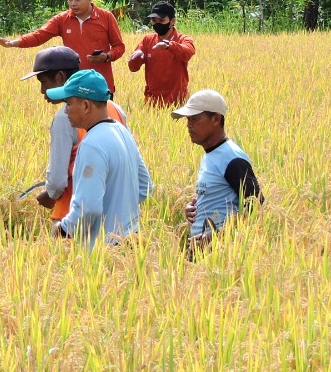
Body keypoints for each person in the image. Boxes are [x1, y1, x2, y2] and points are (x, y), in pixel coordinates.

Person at [21, 47, 127, 225]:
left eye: (44, 82)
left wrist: (49, 196)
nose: (42, 90)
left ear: (61, 78)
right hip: (115, 221)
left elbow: (57, 182)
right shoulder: (114, 109)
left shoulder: (64, 118)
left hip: (72, 220)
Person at [45, 70, 152, 246]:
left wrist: (63, 229)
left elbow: (87, 209)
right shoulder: (122, 131)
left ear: (86, 106)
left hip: (104, 253)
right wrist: (118, 210)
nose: (65, 110)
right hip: (130, 244)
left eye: (69, 103)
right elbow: (145, 186)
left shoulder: (92, 144)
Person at [0, 0, 125, 97]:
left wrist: (106, 56)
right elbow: (40, 35)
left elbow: (119, 47)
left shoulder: (106, 17)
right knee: (73, 123)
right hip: (73, 86)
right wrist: (12, 43)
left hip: (101, 86)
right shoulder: (62, 19)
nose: (73, 3)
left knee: (102, 123)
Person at [173, 89, 262, 257]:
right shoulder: (211, 154)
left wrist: (216, 237)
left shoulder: (232, 159)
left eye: (195, 119)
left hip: (220, 257)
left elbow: (256, 208)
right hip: (201, 252)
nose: (188, 124)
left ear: (215, 119)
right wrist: (194, 209)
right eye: (187, 119)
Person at [127, 0, 196, 107]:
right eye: (154, 20)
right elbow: (133, 68)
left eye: (161, 20)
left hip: (177, 103)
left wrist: (169, 46)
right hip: (152, 103)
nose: (157, 24)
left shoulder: (183, 39)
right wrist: (135, 59)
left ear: (172, 21)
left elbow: (188, 52)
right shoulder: (147, 40)